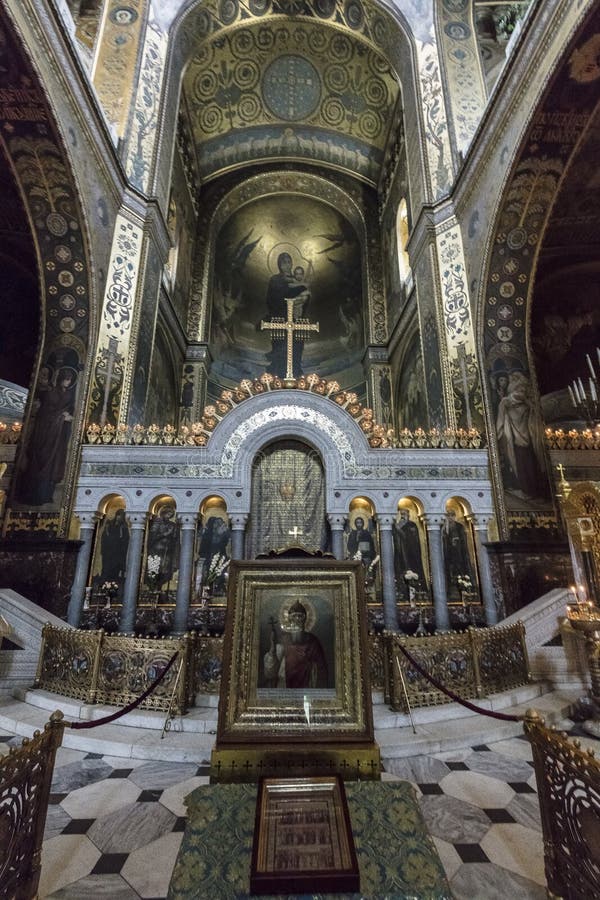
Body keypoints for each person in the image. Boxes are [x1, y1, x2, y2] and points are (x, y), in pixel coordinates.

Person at [17, 366, 77, 505]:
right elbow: (45, 413)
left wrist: (66, 417)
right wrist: (62, 417)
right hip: (46, 432)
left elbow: (68, 409)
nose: (68, 382)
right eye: (66, 379)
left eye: (70, 380)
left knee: (55, 462)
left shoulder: (68, 394)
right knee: (40, 460)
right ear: (61, 378)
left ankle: (47, 494)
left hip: (59, 435)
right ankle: (33, 494)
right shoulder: (51, 393)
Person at [495, 370, 547, 498]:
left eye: (523, 390)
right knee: (521, 462)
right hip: (516, 434)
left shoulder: (521, 395)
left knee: (528, 462)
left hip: (526, 432)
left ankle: (532, 490)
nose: (521, 392)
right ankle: (527, 489)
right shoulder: (509, 399)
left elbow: (518, 401)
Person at [263, 599, 328, 689]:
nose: (297, 619)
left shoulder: (313, 642)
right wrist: (272, 649)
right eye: (294, 616)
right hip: (285, 691)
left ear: (305, 619)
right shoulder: (283, 640)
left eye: (300, 616)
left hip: (308, 689)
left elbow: (322, 671)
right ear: (289, 619)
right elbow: (270, 673)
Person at [265, 252, 311, 378]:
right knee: (280, 345)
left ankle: (295, 371)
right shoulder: (275, 279)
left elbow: (306, 297)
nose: (287, 265)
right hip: (280, 317)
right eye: (283, 262)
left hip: (296, 319)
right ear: (279, 265)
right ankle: (278, 373)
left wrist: (303, 299)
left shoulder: (296, 279)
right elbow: (273, 297)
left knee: (297, 346)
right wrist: (300, 288)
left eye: (289, 262)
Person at [393, 509, 426, 598]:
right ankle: (401, 590)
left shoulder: (412, 525)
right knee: (400, 568)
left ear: (408, 514)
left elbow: (411, 538)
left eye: (404, 514)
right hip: (400, 553)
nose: (403, 516)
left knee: (413, 568)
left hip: (412, 553)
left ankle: (419, 590)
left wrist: (399, 530)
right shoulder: (397, 525)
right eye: (401, 514)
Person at [441, 510, 474, 600]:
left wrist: (456, 541)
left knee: (460, 571)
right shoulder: (443, 527)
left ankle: (465, 590)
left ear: (455, 516)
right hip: (448, 555)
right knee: (449, 572)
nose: (450, 517)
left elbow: (463, 540)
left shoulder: (459, 527)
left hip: (459, 554)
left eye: (452, 515)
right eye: (448, 515)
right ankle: (450, 590)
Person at [146, 505, 180, 589]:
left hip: (168, 551)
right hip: (157, 550)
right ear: (163, 513)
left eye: (171, 514)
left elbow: (176, 539)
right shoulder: (157, 522)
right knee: (155, 569)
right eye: (168, 514)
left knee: (166, 571)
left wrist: (175, 531)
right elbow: (153, 536)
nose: (169, 516)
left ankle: (160, 588)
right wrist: (166, 534)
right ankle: (154, 588)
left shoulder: (173, 525)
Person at [98, 508, 130, 592]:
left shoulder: (124, 527)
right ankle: (102, 588)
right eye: (119, 515)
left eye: (122, 516)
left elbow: (126, 539)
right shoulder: (109, 524)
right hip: (108, 552)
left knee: (115, 570)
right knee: (106, 569)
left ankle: (113, 588)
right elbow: (104, 537)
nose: (119, 518)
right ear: (116, 515)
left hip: (118, 553)